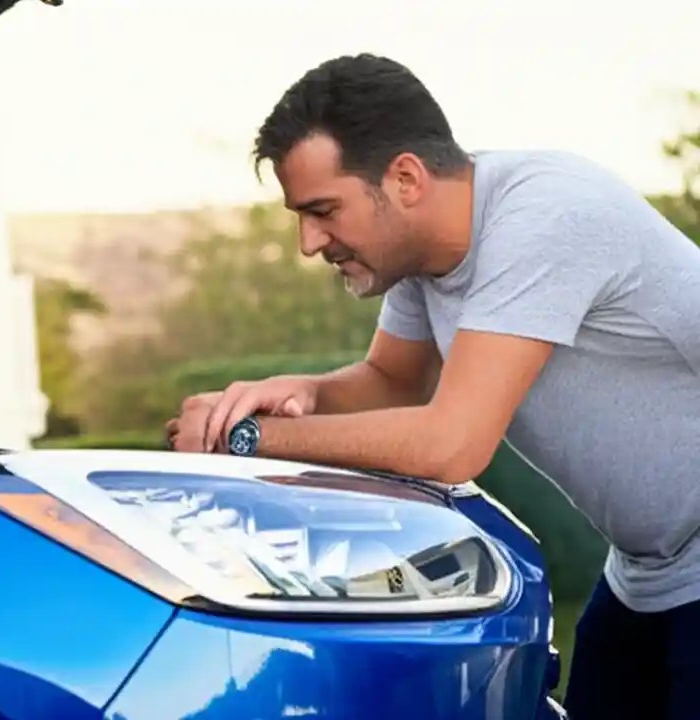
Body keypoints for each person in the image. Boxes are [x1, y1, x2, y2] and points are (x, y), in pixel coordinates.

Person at [165, 53, 700, 717]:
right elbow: (392, 381)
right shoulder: (425, 259)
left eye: (324, 210)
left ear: (407, 178)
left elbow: (451, 443)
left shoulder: (544, 217)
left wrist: (243, 440)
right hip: (651, 572)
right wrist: (288, 393)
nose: (308, 242)